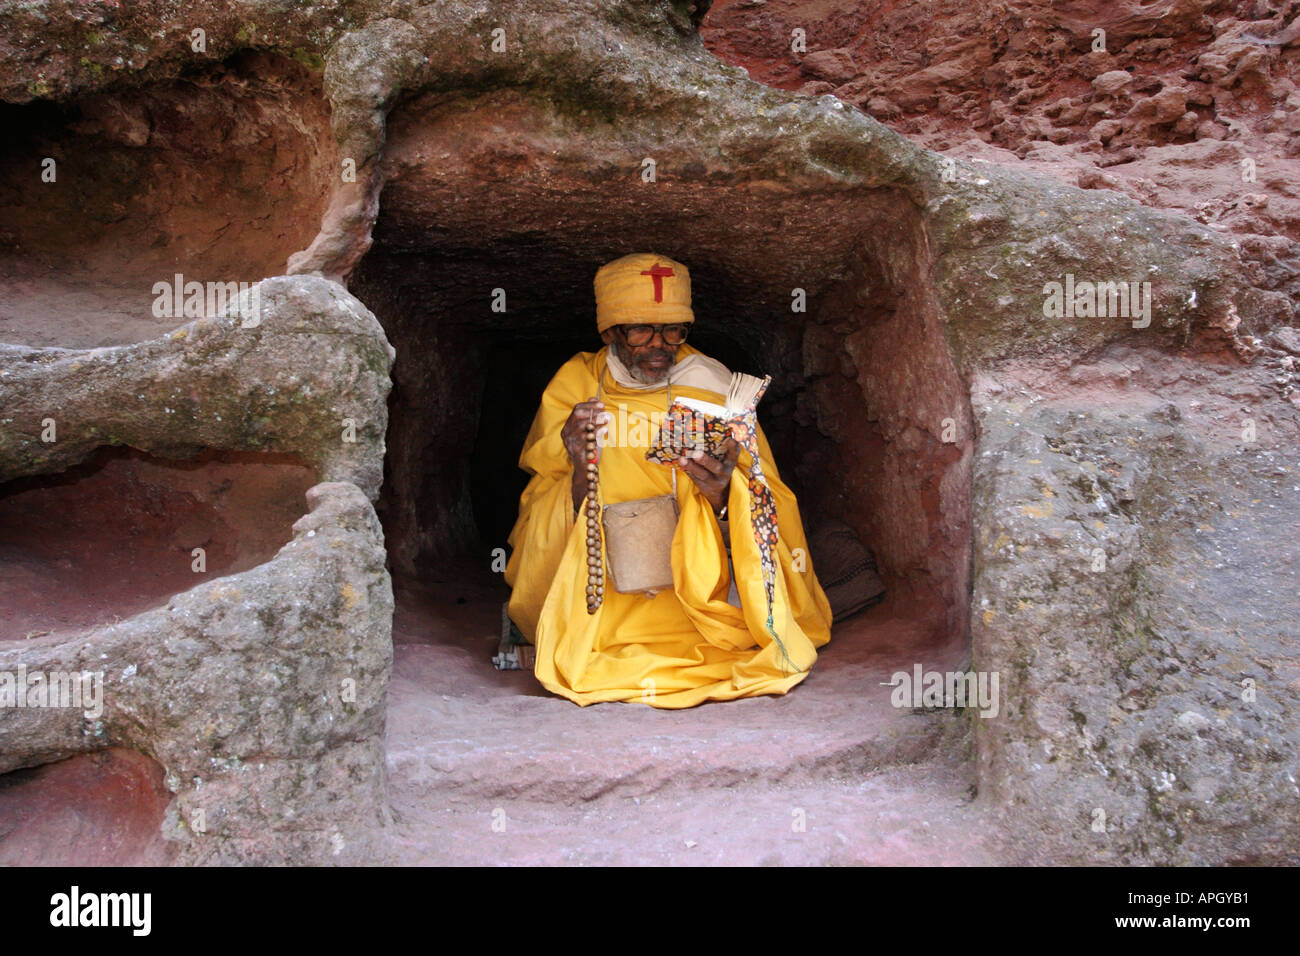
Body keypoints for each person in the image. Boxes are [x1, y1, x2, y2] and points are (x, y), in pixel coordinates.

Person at [503, 252, 832, 707]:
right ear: (609, 333)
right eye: (640, 330)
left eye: (673, 330)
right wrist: (579, 464)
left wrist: (722, 495)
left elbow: (766, 495)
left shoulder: (711, 383)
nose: (659, 345)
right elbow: (540, 501)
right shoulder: (577, 382)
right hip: (608, 591)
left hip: (701, 596)